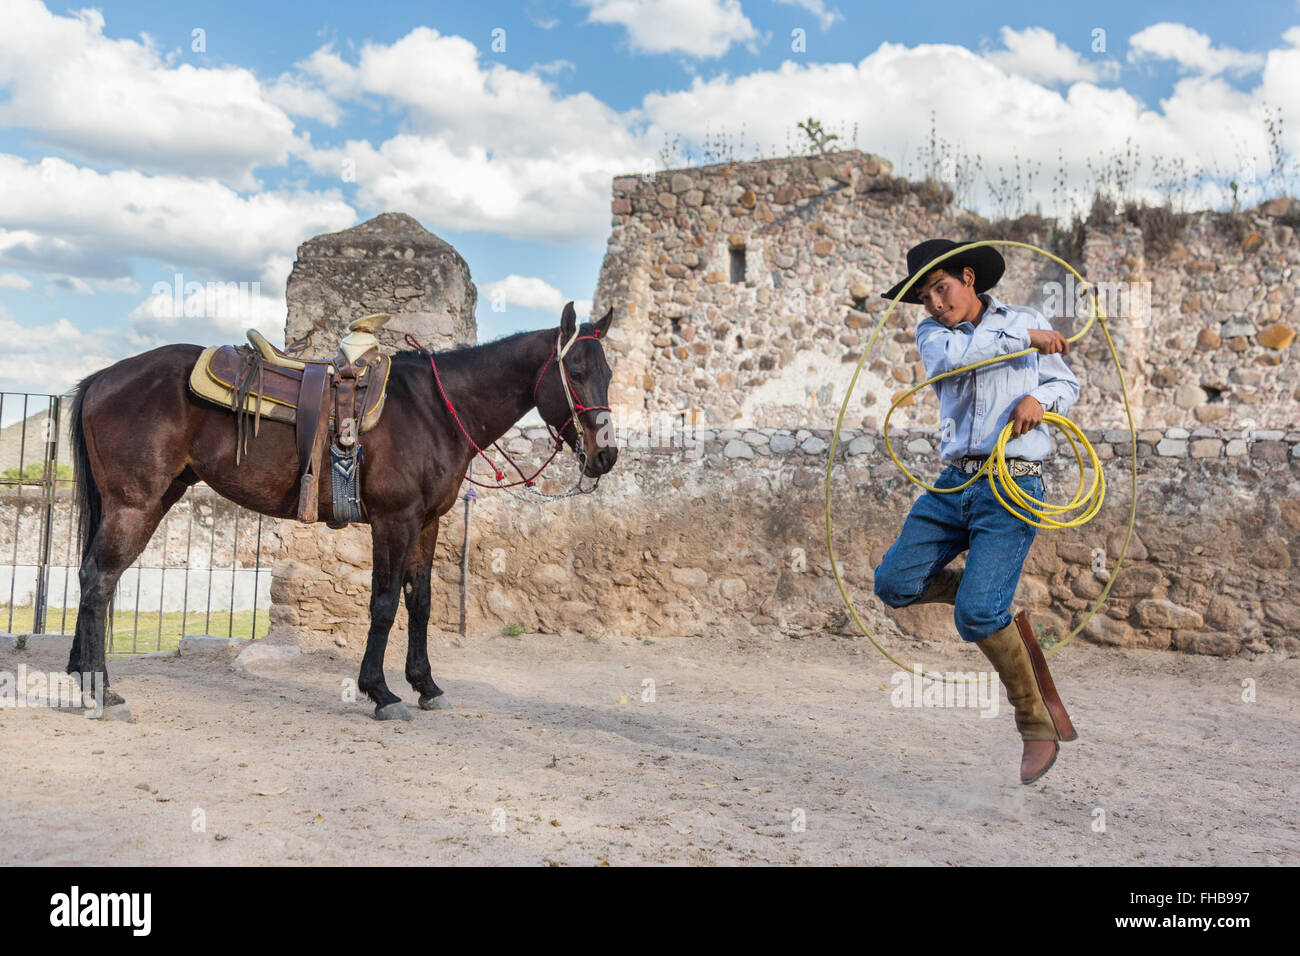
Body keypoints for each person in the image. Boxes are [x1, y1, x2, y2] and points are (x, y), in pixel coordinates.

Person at [872, 238, 1081, 784]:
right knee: (893, 583)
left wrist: (1042, 400)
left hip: (1014, 481)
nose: (935, 304)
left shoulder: (1027, 318)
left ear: (969, 277)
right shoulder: (934, 335)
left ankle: (1035, 721)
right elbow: (958, 359)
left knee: (974, 617)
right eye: (925, 297)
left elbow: (1066, 379)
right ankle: (984, 596)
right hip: (954, 481)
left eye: (941, 289)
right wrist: (1026, 339)